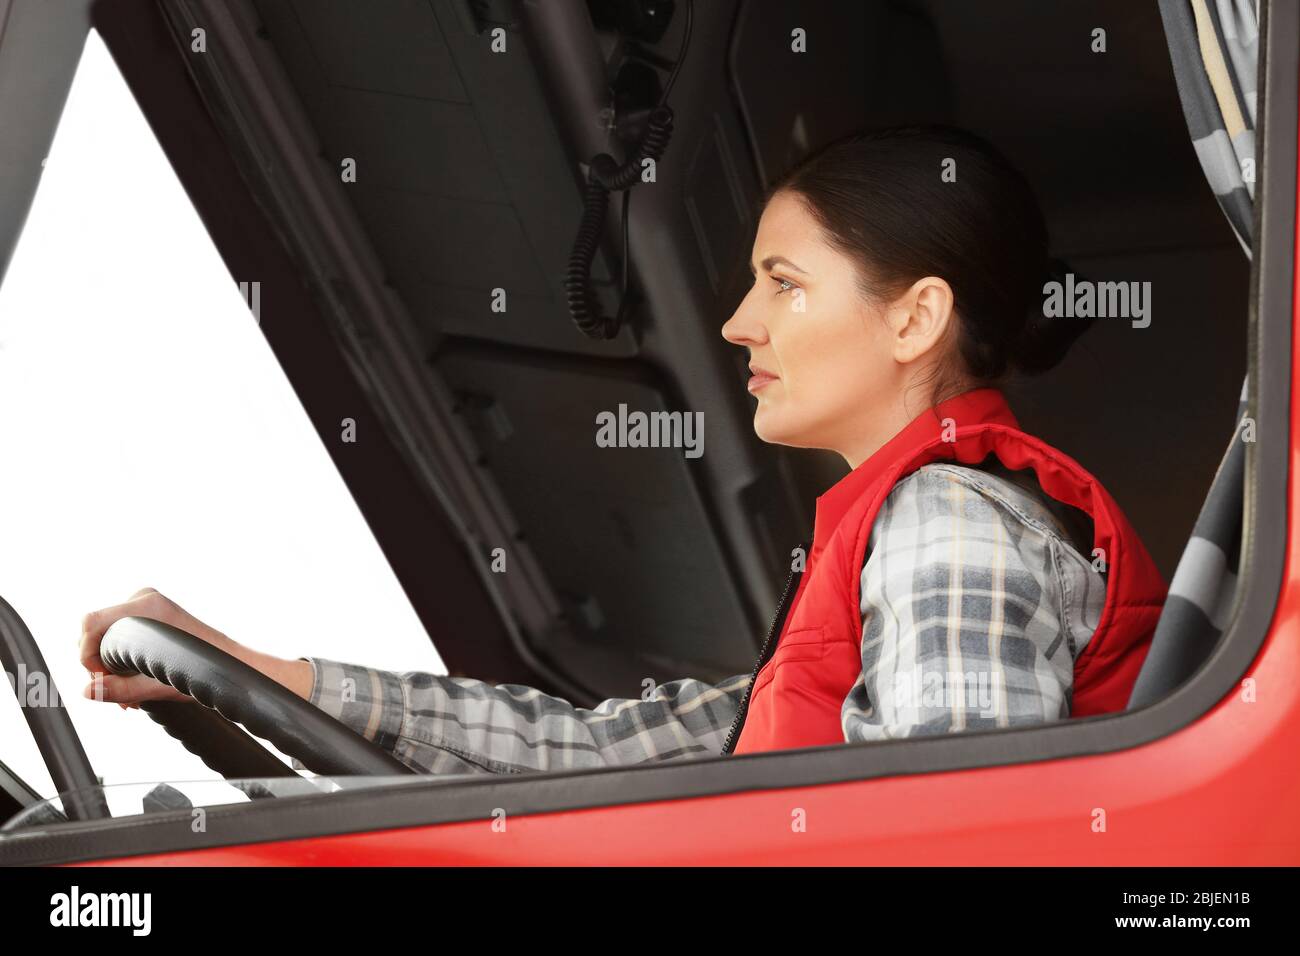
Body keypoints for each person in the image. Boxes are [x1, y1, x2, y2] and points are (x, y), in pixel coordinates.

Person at [79, 125, 1167, 774]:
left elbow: (954, 835)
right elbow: (594, 755)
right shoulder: (880, 568)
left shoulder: (950, 526)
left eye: (783, 283)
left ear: (913, 320)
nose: (741, 322)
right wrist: (251, 675)